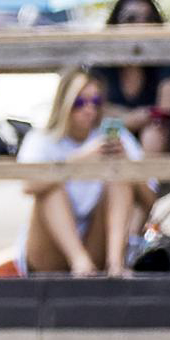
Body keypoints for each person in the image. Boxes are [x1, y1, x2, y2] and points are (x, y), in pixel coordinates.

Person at [17, 69, 155, 276]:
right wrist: (78, 160)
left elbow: (149, 199)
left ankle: (115, 265)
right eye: (80, 103)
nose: (89, 109)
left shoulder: (116, 137)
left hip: (96, 243)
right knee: (50, 188)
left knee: (119, 178)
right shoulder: (42, 138)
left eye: (96, 102)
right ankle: (79, 261)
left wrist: (125, 163)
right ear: (65, 103)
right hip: (47, 250)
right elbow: (27, 186)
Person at [92, 0, 170, 154]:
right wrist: (138, 116)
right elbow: (95, 109)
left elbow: (166, 112)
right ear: (115, 24)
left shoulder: (168, 60)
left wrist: (119, 115)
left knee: (153, 133)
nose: (141, 25)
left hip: (161, 138)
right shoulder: (102, 64)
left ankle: (146, 180)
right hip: (115, 133)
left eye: (148, 19)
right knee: (109, 136)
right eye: (130, 19)